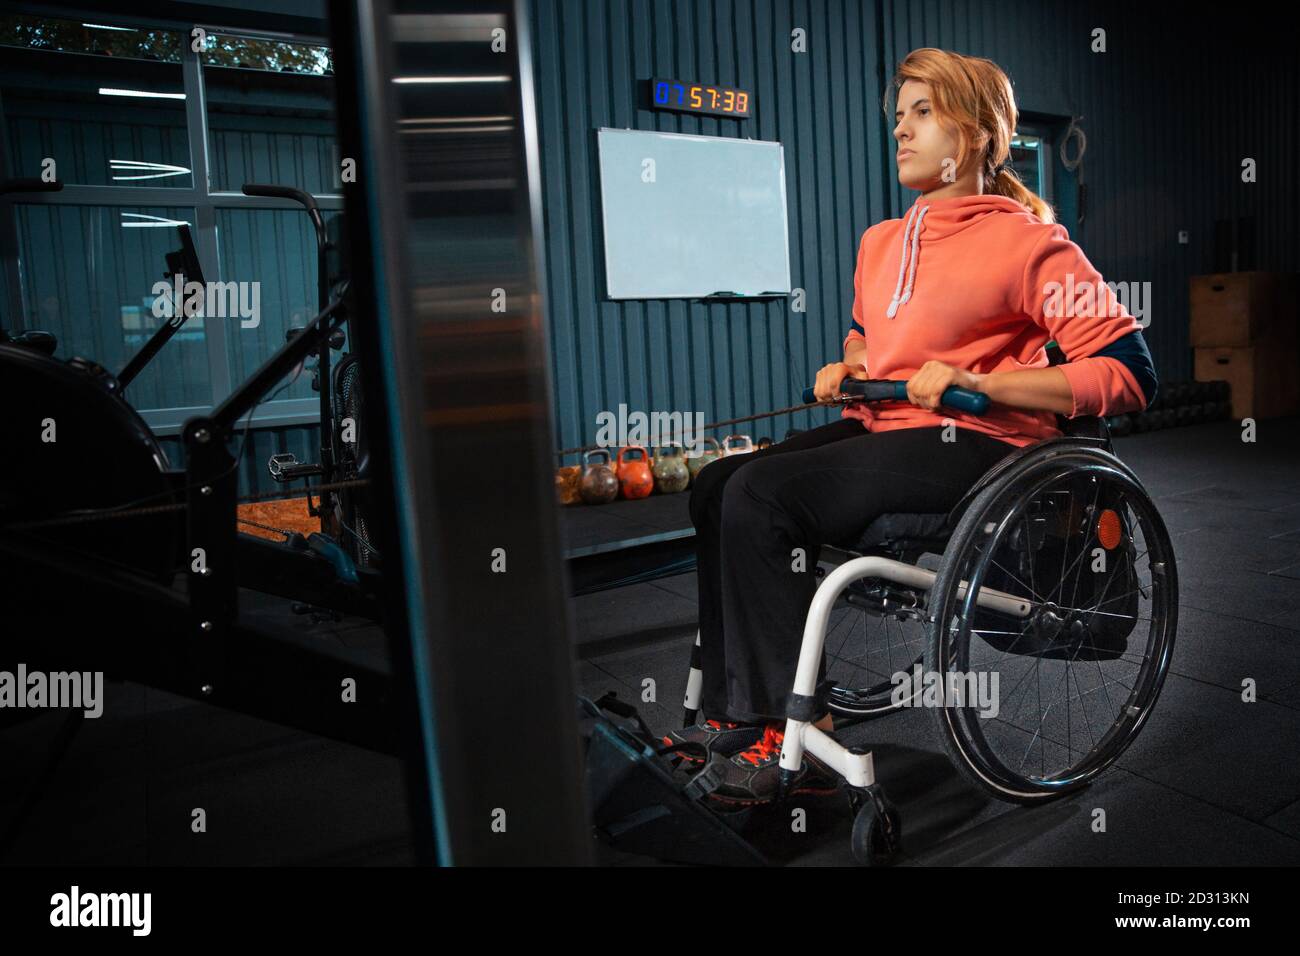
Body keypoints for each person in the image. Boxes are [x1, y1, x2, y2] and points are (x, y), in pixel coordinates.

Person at [663, 47, 1157, 808]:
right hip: (884, 427)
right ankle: (737, 713)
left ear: (978, 134)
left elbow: (1129, 373)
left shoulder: (1032, 245)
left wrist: (981, 383)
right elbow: (871, 333)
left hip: (983, 445)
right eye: (899, 115)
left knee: (761, 496)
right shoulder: (881, 242)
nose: (900, 129)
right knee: (715, 485)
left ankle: (791, 729)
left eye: (923, 113)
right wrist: (850, 361)